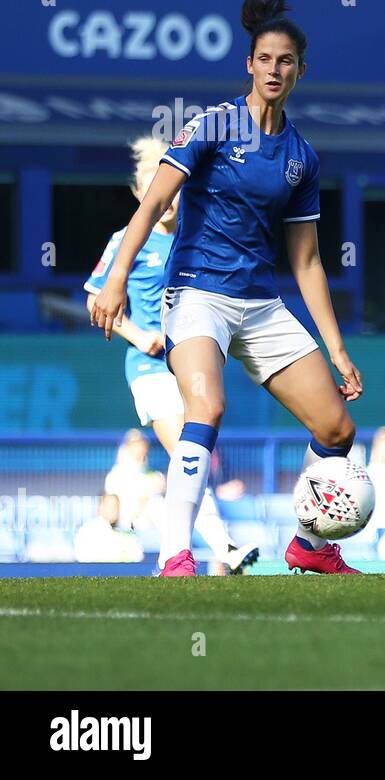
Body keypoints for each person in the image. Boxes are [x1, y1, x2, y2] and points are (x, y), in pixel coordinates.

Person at [91, 0, 365, 576]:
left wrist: (338, 351)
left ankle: (308, 547)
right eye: (264, 58)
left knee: (337, 427)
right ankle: (174, 557)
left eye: (285, 61)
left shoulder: (302, 157)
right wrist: (116, 280)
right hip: (195, 294)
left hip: (260, 304)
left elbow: (308, 261)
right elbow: (153, 203)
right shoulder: (212, 124)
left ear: (300, 69)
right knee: (206, 407)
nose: (274, 69)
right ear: (249, 63)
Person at [86, 138, 259, 576]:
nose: (162, 199)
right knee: (188, 451)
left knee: (191, 460)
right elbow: (95, 299)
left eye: (170, 188)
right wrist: (136, 334)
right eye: (150, 190)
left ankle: (171, 556)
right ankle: (226, 547)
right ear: (138, 195)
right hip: (148, 368)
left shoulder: (195, 237)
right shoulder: (127, 240)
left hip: (189, 366)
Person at [73, 494, 144, 564]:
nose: (115, 510)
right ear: (100, 507)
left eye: (117, 506)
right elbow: (83, 556)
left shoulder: (123, 533)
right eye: (111, 506)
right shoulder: (89, 530)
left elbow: (137, 555)